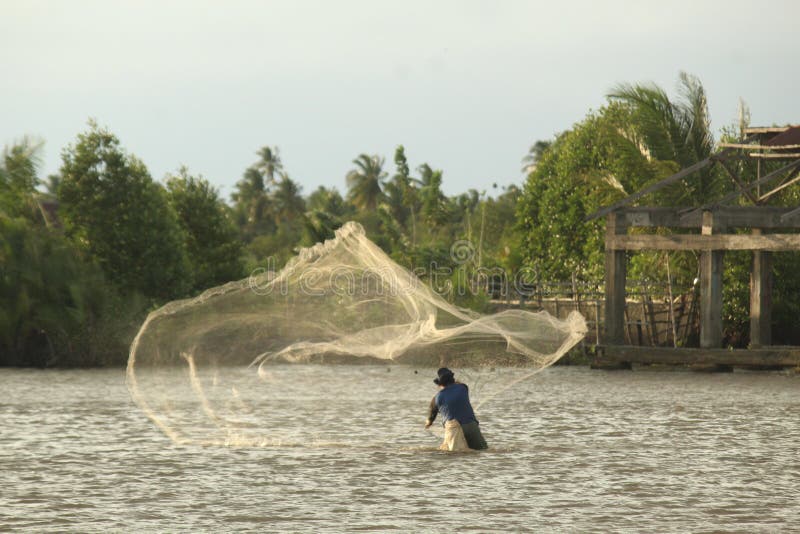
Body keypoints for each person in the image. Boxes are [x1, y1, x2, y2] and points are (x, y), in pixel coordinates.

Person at [424, 367, 488, 450]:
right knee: (482, 451)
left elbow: (431, 417)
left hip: (453, 429)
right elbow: (457, 385)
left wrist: (428, 423)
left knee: (455, 455)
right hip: (471, 426)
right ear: (453, 379)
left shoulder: (436, 398)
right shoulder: (463, 388)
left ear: (440, 384)